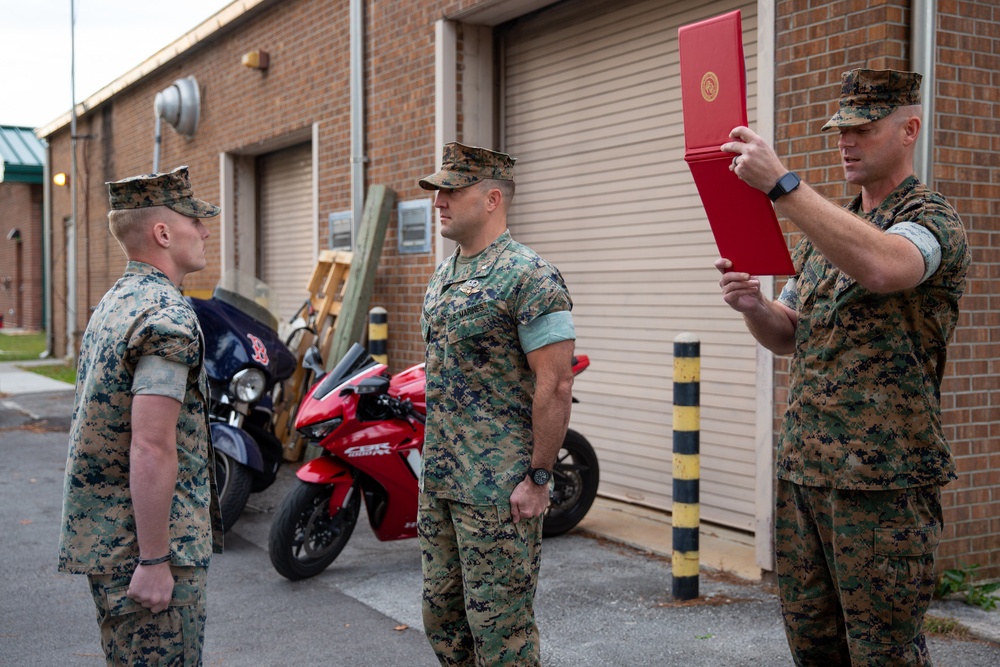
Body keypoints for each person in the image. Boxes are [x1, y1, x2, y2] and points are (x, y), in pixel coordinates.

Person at [716, 69, 970, 665]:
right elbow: (788, 333)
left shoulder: (932, 220)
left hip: (882, 484)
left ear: (908, 130)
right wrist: (754, 307)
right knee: (814, 647)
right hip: (806, 474)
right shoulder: (824, 232)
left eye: (863, 128)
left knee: (884, 652)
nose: (846, 141)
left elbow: (885, 267)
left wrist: (782, 185)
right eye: (840, 130)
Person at [417, 142, 576, 666]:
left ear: (491, 199)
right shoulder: (443, 277)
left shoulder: (531, 276)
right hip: (441, 485)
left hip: (498, 493)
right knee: (443, 621)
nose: (439, 201)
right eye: (437, 191)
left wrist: (539, 478)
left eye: (451, 190)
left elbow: (556, 384)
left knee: (501, 635)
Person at [58, 166, 224, 665]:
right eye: (195, 220)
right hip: (145, 550)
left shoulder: (117, 302)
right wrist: (154, 560)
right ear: (164, 233)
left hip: (110, 541)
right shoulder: (165, 317)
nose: (205, 231)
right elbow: (151, 444)